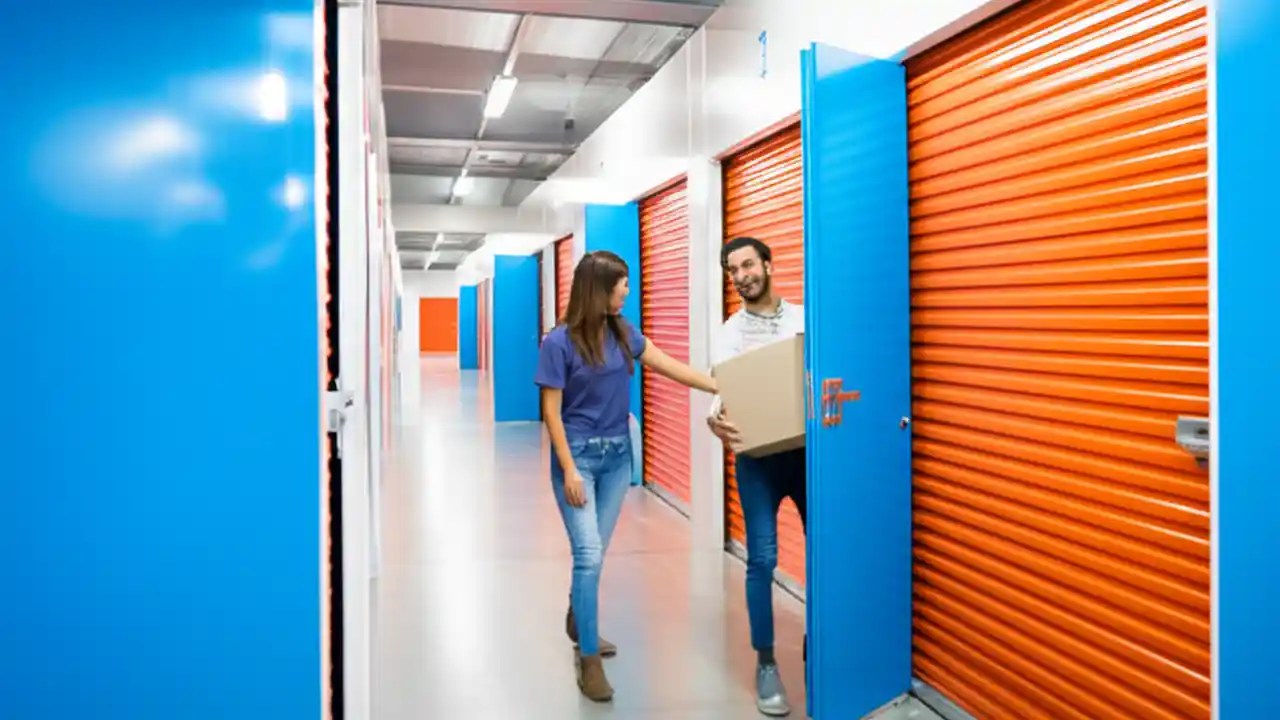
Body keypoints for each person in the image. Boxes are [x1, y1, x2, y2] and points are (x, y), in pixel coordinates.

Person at [535, 249, 718, 703]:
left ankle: (580, 616)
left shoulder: (622, 332)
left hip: (619, 458)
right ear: (599, 288)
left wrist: (720, 385)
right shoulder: (558, 342)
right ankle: (589, 658)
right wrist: (570, 469)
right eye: (621, 284)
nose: (627, 291)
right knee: (589, 555)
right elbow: (552, 414)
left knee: (594, 553)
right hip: (576, 458)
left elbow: (669, 366)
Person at [706, 236, 806, 717]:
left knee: (826, 552)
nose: (741, 275)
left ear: (767, 264)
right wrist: (714, 417)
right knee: (761, 559)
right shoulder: (729, 333)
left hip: (809, 456)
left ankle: (824, 641)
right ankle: (765, 661)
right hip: (757, 460)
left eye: (747, 264)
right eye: (732, 270)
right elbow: (721, 391)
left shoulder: (805, 318)